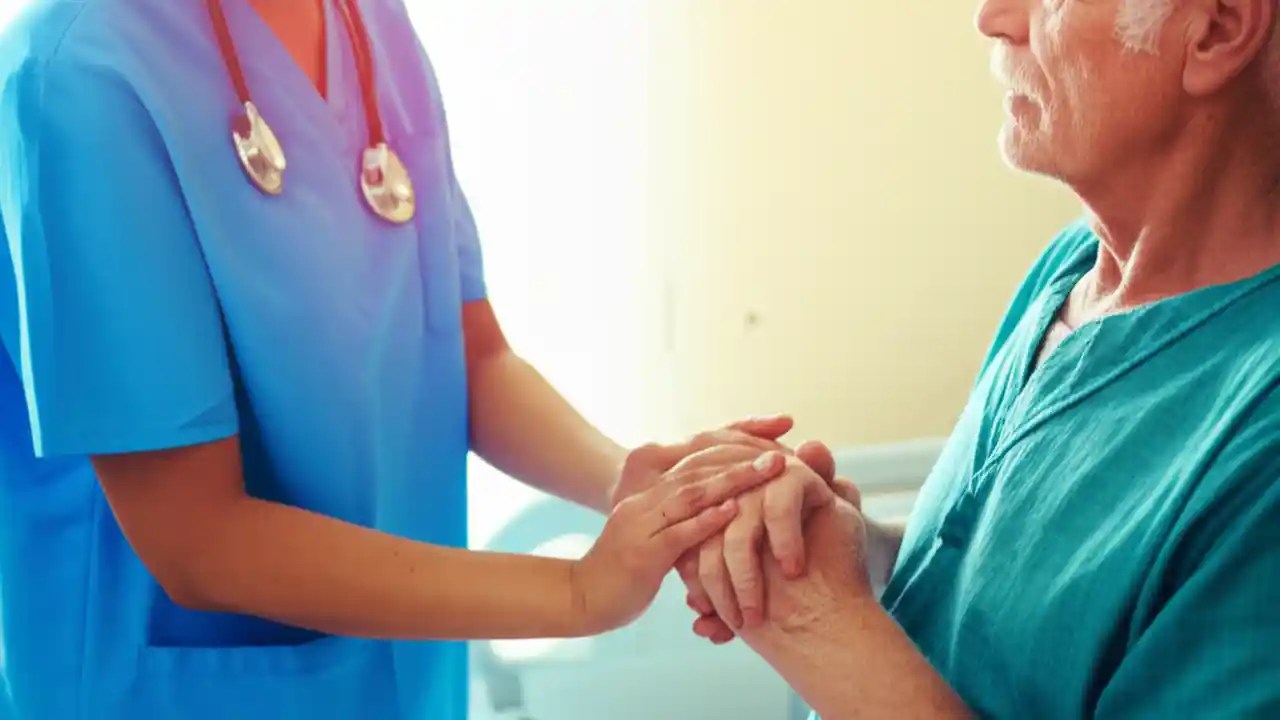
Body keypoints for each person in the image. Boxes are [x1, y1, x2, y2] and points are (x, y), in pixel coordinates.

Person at [0, 1, 844, 718]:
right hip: (169, 689)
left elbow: (472, 358)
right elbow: (196, 540)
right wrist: (575, 593)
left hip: (400, 675)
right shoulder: (80, 70)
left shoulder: (366, 25)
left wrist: (630, 481)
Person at [673, 0, 1280, 716]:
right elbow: (1014, 624)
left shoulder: (1261, 435)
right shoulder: (1074, 273)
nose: (992, 16)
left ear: (1218, 27)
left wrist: (819, 626)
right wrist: (852, 557)